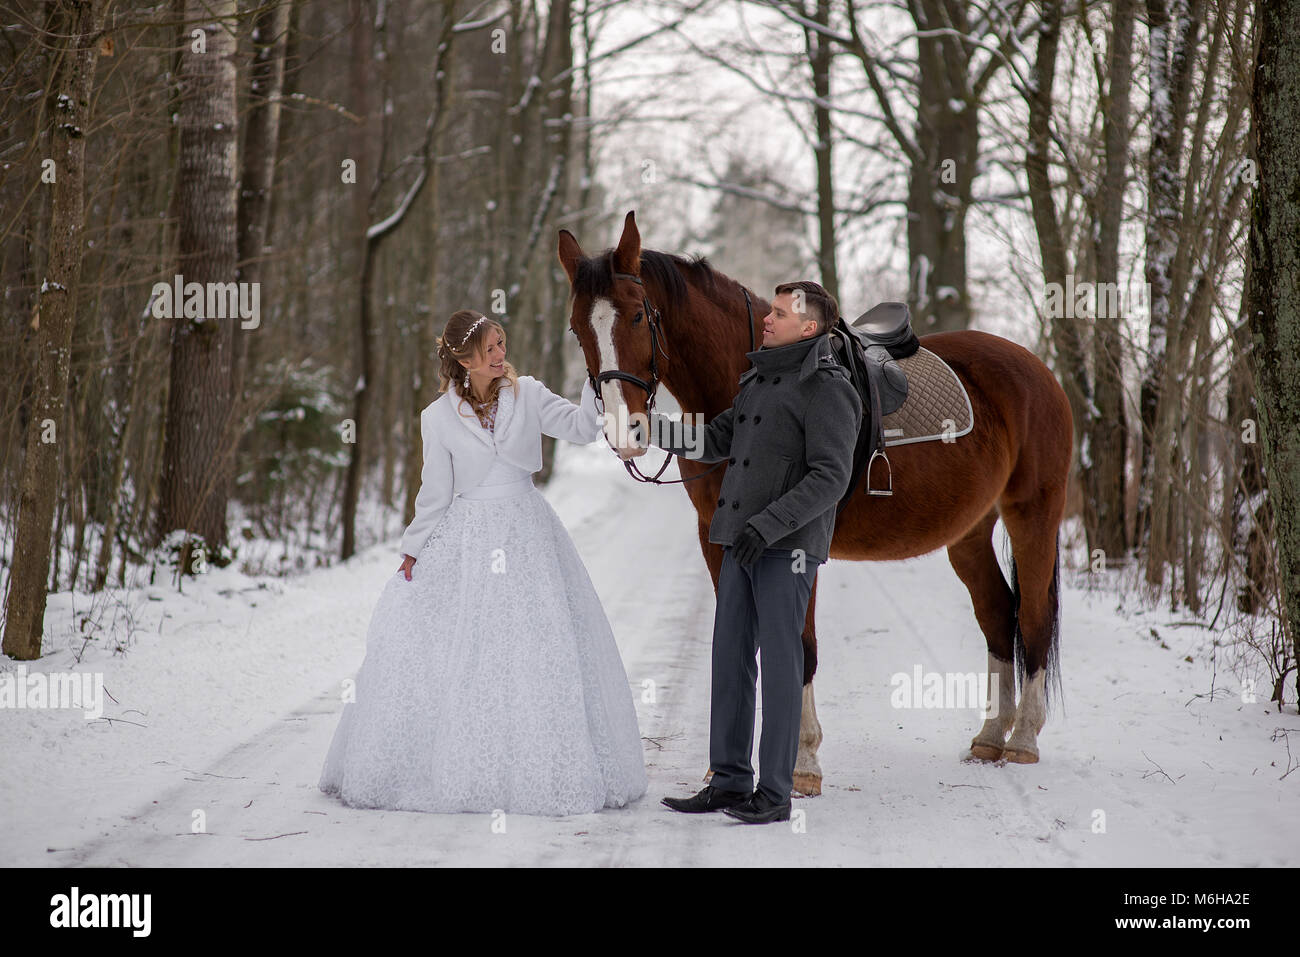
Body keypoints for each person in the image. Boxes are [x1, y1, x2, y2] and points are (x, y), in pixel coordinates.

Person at [319, 309, 647, 816]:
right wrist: (413, 548)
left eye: (501, 343)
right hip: (467, 534)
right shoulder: (437, 418)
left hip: (528, 529)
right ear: (464, 358)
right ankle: (467, 765)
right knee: (469, 648)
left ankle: (541, 765)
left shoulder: (529, 394)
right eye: (490, 348)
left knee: (537, 645)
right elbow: (435, 492)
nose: (500, 354)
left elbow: (583, 429)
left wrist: (594, 380)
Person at [648, 281, 861, 824]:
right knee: (730, 656)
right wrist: (651, 430)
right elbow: (718, 440)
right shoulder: (759, 376)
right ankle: (728, 779)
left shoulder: (829, 388)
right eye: (772, 309)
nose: (768, 317)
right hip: (739, 540)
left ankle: (773, 791)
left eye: (781, 312)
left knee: (782, 664)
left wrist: (768, 527)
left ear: (809, 327)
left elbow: (831, 477)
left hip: (784, 547)